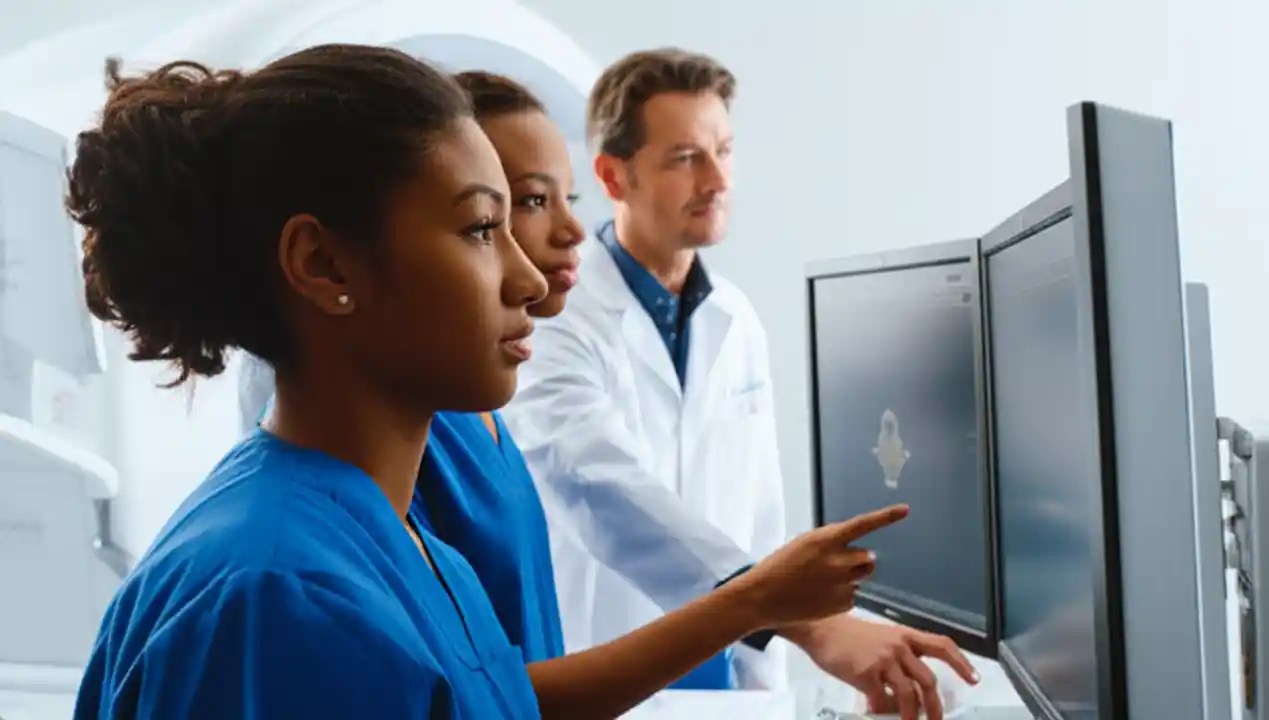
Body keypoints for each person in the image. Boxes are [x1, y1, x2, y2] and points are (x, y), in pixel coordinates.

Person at [69, 46, 908, 720]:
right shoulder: (278, 601)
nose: (532, 282)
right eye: (480, 228)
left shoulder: (423, 556)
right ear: (323, 265)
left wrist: (756, 603)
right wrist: (755, 601)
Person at [502, 47, 979, 718]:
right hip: (618, 667)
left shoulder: (736, 317)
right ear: (614, 176)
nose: (717, 178)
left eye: (724, 150)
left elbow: (759, 514)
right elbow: (595, 481)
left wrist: (787, 660)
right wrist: (805, 621)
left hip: (736, 673)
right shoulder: (556, 319)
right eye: (684, 158)